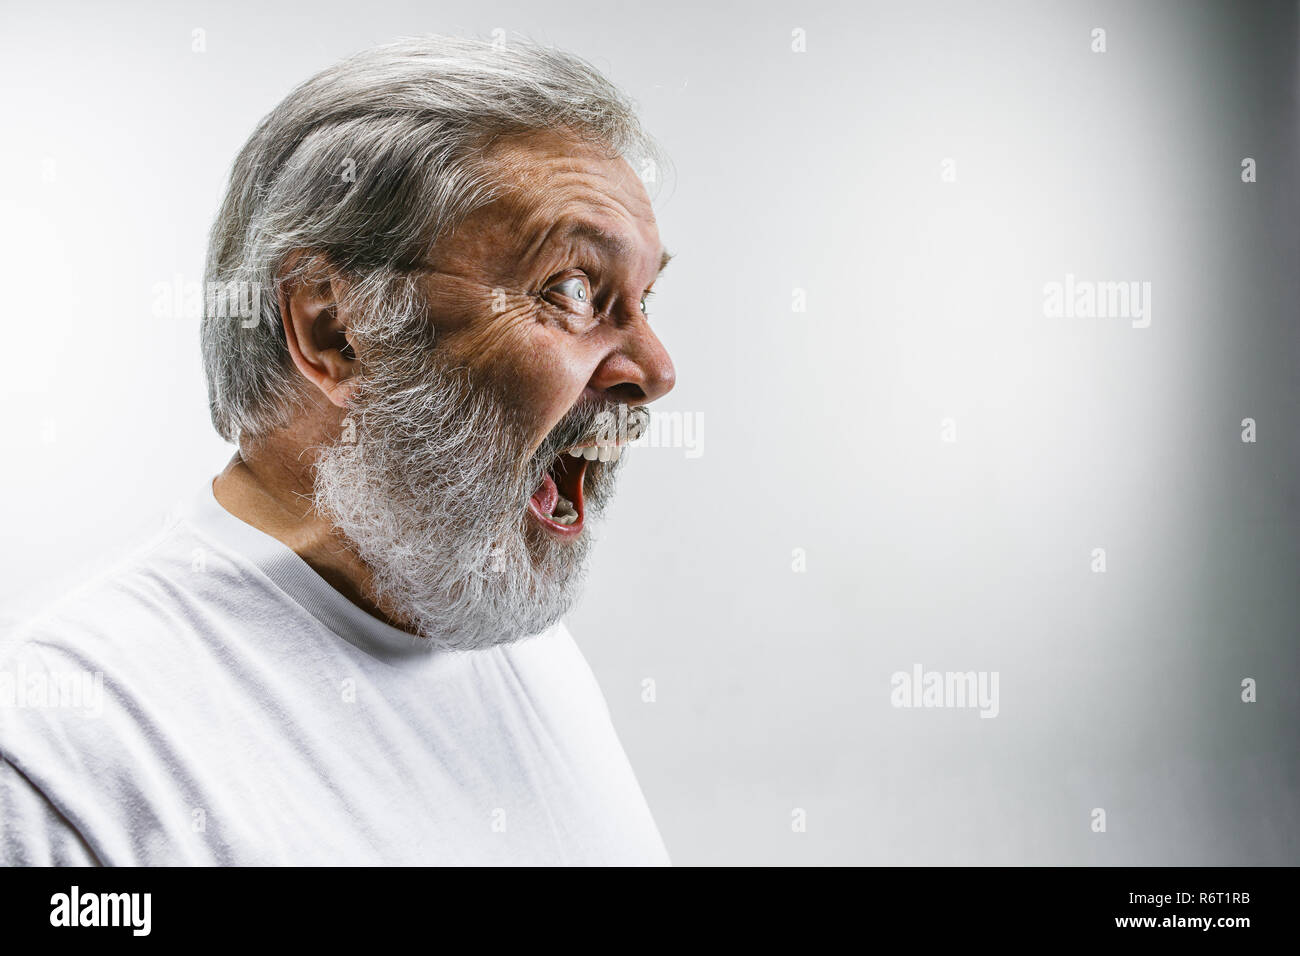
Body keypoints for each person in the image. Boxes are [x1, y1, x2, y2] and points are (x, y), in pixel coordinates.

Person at [0, 35, 676, 866]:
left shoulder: (520, 642)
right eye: (573, 289)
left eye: (645, 299)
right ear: (334, 327)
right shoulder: (58, 753)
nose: (656, 369)